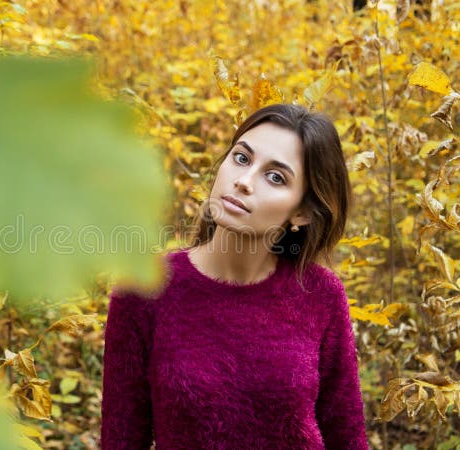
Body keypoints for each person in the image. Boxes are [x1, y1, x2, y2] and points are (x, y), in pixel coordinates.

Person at [99, 104, 368, 449]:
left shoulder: (320, 294)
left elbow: (346, 437)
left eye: (275, 177)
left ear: (300, 212)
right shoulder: (142, 290)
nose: (243, 182)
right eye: (242, 158)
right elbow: (122, 440)